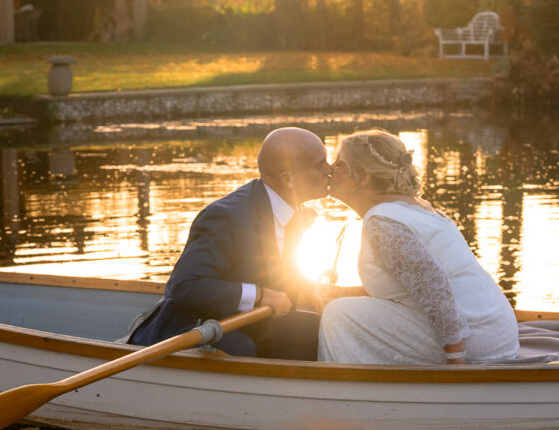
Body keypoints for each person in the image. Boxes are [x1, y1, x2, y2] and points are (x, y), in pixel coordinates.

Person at [128, 126, 332, 359]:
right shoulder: (227, 217)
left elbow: (275, 271)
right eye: (320, 164)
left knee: (324, 328)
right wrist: (259, 296)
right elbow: (186, 286)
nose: (330, 169)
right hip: (192, 326)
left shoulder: (291, 209)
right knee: (240, 348)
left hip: (250, 323)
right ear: (288, 179)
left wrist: (310, 289)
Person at [318, 129, 518, 365]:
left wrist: (457, 363)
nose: (331, 168)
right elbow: (408, 286)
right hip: (495, 332)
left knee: (339, 313)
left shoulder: (383, 222)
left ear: (363, 178)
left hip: (475, 343)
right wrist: (345, 293)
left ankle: (342, 385)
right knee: (342, 303)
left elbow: (436, 290)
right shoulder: (416, 208)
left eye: (340, 164)